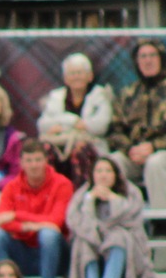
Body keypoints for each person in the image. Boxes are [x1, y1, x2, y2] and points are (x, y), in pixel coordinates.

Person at [109, 39, 166, 211]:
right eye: (142, 56)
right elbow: (115, 131)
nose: (147, 60)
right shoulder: (128, 92)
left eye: (152, 55)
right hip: (134, 154)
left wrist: (154, 146)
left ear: (162, 59)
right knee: (112, 163)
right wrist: (130, 149)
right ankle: (120, 221)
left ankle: (162, 224)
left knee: (156, 163)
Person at [0, 140, 73, 278]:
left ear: (46, 161)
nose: (34, 165)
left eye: (38, 160)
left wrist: (16, 215)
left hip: (54, 254)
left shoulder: (62, 184)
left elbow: (56, 223)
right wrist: (32, 225)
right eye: (29, 161)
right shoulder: (12, 186)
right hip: (21, 252)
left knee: (48, 235)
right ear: (21, 163)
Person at [66, 155, 154, 278]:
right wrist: (90, 200)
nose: (103, 175)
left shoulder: (131, 193)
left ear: (116, 174)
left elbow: (130, 221)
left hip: (128, 245)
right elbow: (77, 222)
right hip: (94, 242)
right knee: (84, 241)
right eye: (99, 171)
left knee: (118, 237)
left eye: (108, 171)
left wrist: (114, 199)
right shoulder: (83, 195)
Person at [37, 51, 115, 189]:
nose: (76, 77)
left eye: (80, 73)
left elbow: (100, 126)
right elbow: (43, 124)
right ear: (65, 78)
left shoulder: (100, 95)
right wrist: (73, 122)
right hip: (60, 145)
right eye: (72, 73)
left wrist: (60, 124)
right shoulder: (56, 96)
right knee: (45, 150)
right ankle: (49, 192)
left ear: (90, 76)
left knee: (80, 149)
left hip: (91, 148)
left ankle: (81, 193)